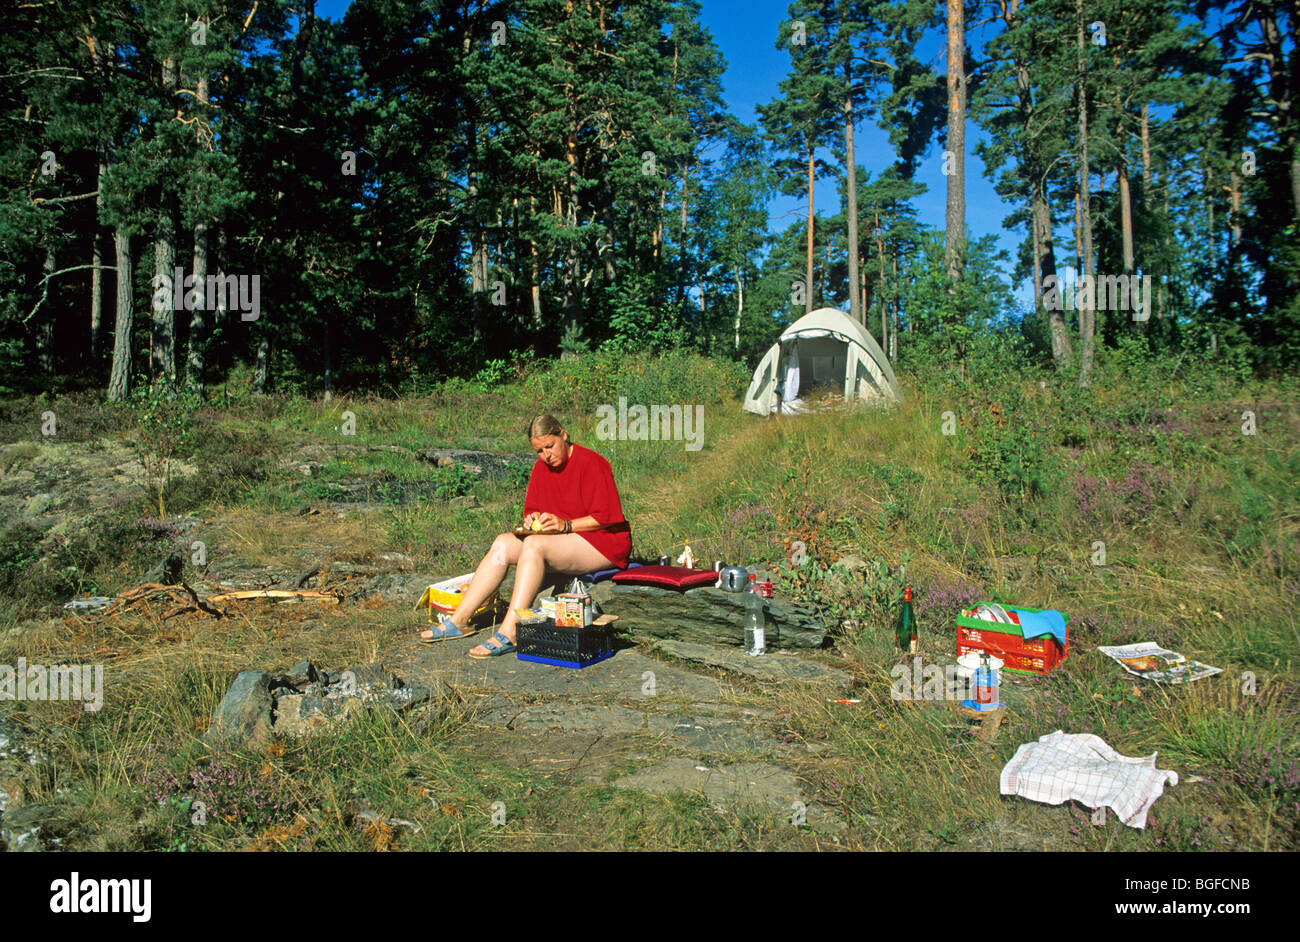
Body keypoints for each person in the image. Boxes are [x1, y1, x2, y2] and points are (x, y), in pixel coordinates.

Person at [419, 414, 632, 657]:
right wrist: (532, 520)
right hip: (560, 538)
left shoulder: (592, 463)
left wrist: (565, 525)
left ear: (563, 434)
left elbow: (606, 517)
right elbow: (533, 510)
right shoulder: (541, 469)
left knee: (534, 545)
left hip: (603, 541)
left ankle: (510, 631)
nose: (546, 456)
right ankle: (459, 620)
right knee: (502, 543)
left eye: (550, 447)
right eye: (539, 451)